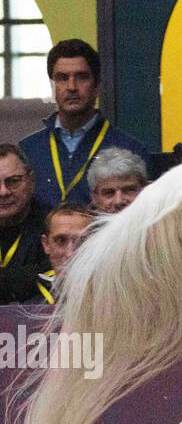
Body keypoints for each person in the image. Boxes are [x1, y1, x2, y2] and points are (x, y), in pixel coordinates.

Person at [19, 39, 150, 209]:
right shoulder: (28, 151)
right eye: (62, 78)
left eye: (81, 77)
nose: (72, 86)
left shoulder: (132, 150)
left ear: (97, 87)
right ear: (53, 86)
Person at [0, 144, 52, 304]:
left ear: (31, 181)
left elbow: (56, 279)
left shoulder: (54, 226)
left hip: (37, 325)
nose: (3, 192)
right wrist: (27, 278)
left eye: (13, 181)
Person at [31, 204, 96, 304]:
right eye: (60, 241)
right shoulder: (27, 298)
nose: (70, 253)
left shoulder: (112, 296)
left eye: (81, 241)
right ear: (46, 244)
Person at [87, 147, 148, 214]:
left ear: (145, 189)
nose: (118, 201)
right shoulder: (81, 223)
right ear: (95, 199)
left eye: (129, 190)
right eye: (109, 193)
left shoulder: (160, 223)